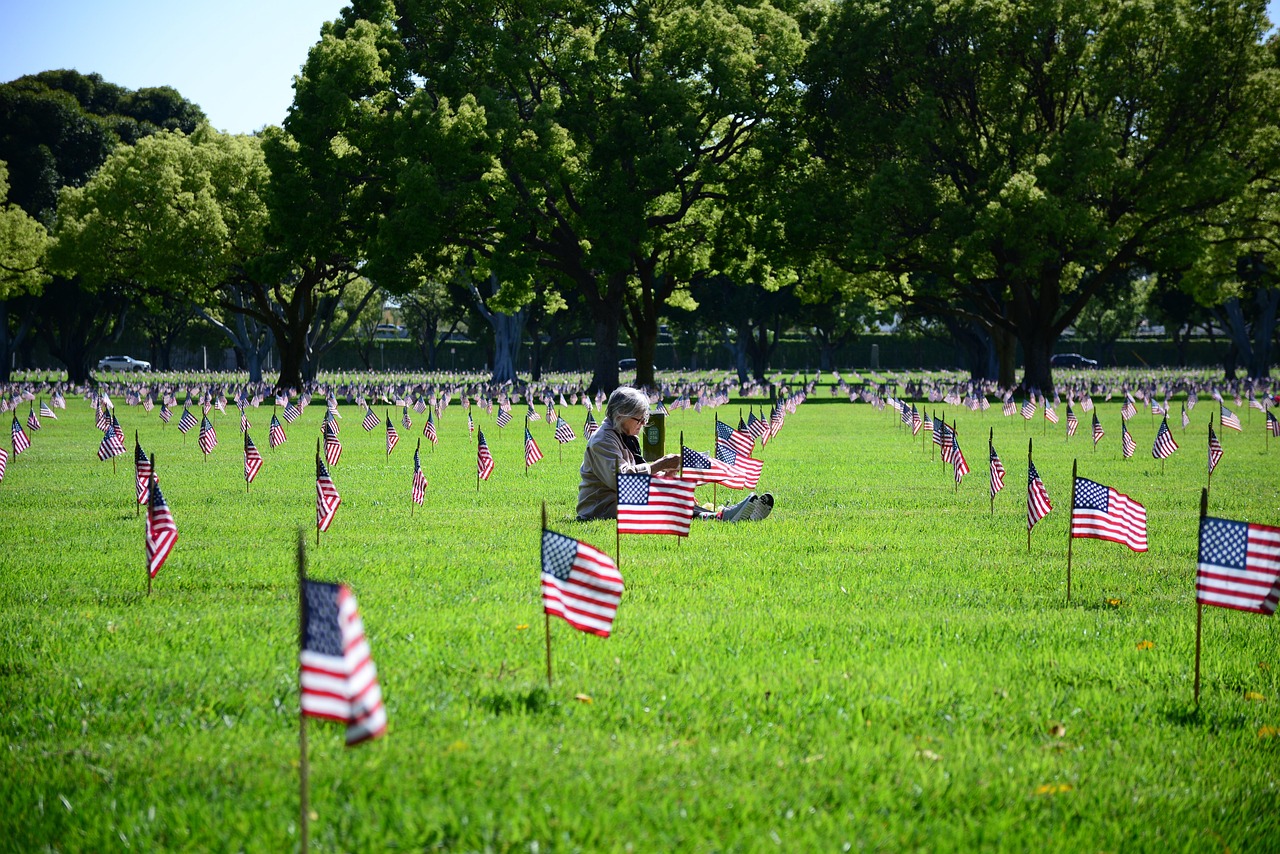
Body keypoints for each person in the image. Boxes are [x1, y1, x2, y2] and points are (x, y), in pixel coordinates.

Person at [576, 386, 773, 522]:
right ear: (621, 416)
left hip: (620, 499)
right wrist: (660, 464)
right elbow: (621, 480)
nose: (643, 424)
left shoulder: (624, 434)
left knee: (673, 489)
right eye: (640, 419)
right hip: (602, 507)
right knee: (667, 499)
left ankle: (727, 513)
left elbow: (637, 474)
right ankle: (721, 516)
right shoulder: (603, 441)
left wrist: (663, 476)